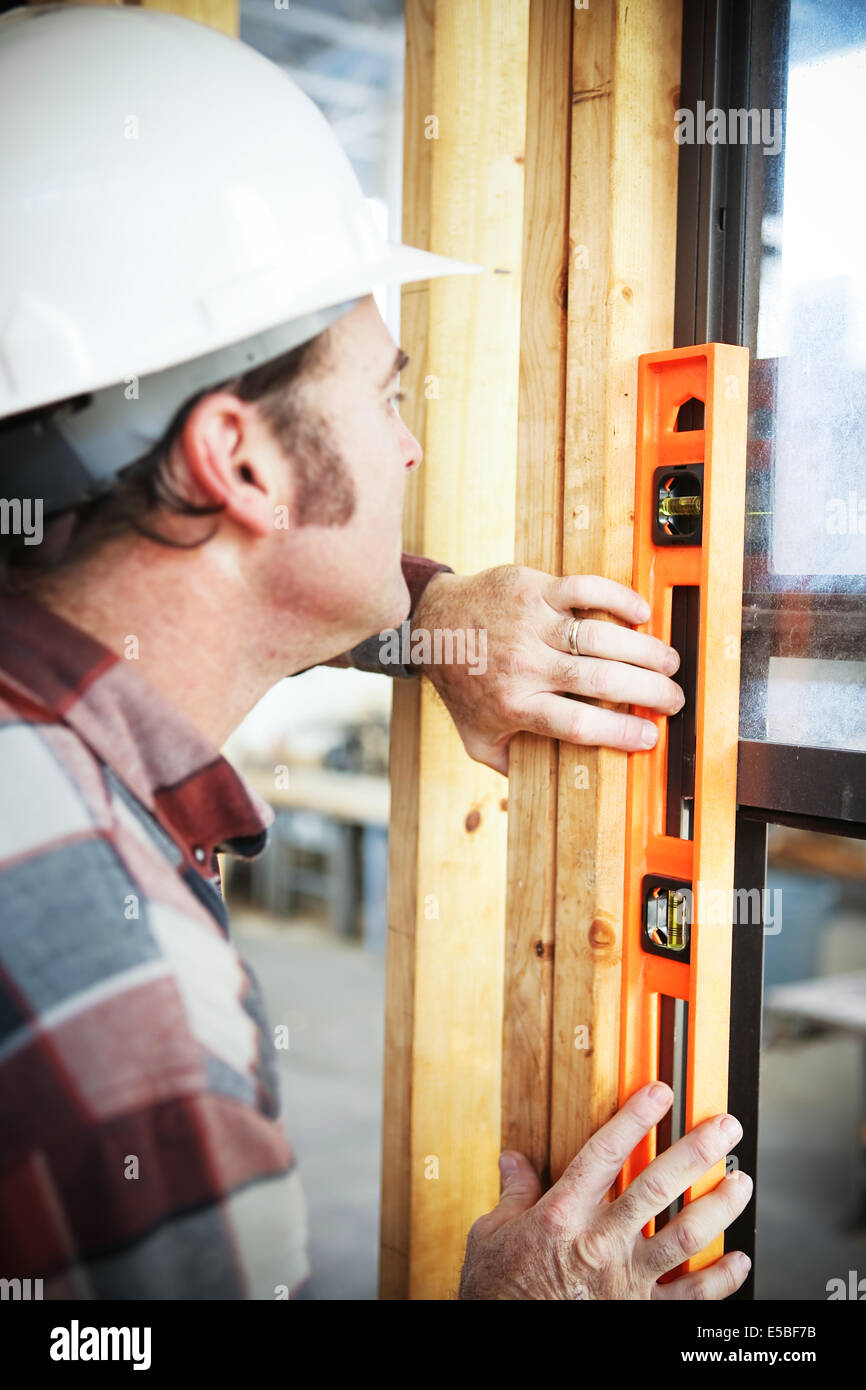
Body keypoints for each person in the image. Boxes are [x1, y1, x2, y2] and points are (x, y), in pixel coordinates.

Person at [0, 5, 751, 1300]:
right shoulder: (132, 1018)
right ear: (240, 461)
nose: (408, 447)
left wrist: (439, 619)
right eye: (386, 394)